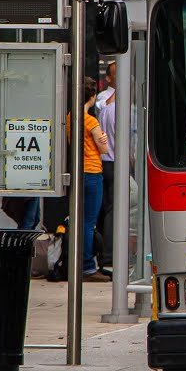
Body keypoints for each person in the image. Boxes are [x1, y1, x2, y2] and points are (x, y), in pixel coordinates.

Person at [68, 76, 111, 282]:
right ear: (92, 97)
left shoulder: (70, 117)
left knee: (80, 220)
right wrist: (103, 139)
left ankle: (79, 263)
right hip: (93, 171)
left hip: (78, 171)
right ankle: (87, 266)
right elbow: (103, 148)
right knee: (88, 222)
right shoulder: (91, 121)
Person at [95, 61, 116, 268]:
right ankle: (108, 253)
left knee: (108, 207)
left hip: (114, 160)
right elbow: (103, 106)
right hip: (109, 161)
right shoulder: (105, 98)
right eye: (116, 73)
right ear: (108, 78)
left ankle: (106, 251)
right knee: (112, 208)